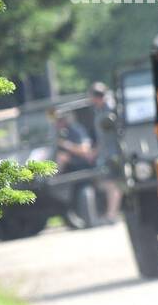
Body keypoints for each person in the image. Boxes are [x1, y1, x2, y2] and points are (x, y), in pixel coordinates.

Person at [89, 83, 122, 223]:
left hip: (114, 153)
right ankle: (111, 213)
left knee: (112, 183)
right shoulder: (99, 110)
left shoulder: (111, 108)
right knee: (106, 183)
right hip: (105, 153)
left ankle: (111, 215)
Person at [50, 108, 94, 173]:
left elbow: (85, 150)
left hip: (83, 167)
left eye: (60, 120)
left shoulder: (76, 129)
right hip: (67, 171)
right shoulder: (57, 133)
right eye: (56, 121)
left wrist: (66, 144)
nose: (57, 123)